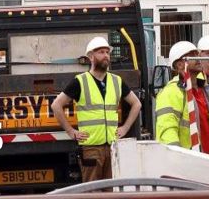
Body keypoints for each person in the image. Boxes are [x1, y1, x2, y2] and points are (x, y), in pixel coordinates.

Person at [52, 36, 142, 182]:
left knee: (110, 190)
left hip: (112, 147)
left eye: (107, 52)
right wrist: (71, 131)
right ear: (91, 57)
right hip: (91, 148)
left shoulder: (116, 81)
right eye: (101, 52)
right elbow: (56, 105)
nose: (106, 55)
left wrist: (125, 128)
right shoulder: (80, 81)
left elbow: (137, 104)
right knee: (92, 191)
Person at [154, 41, 209, 156]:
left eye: (197, 54)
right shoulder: (171, 92)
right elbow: (167, 130)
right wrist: (177, 158)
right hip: (188, 163)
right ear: (180, 64)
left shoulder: (207, 91)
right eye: (192, 55)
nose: (198, 58)